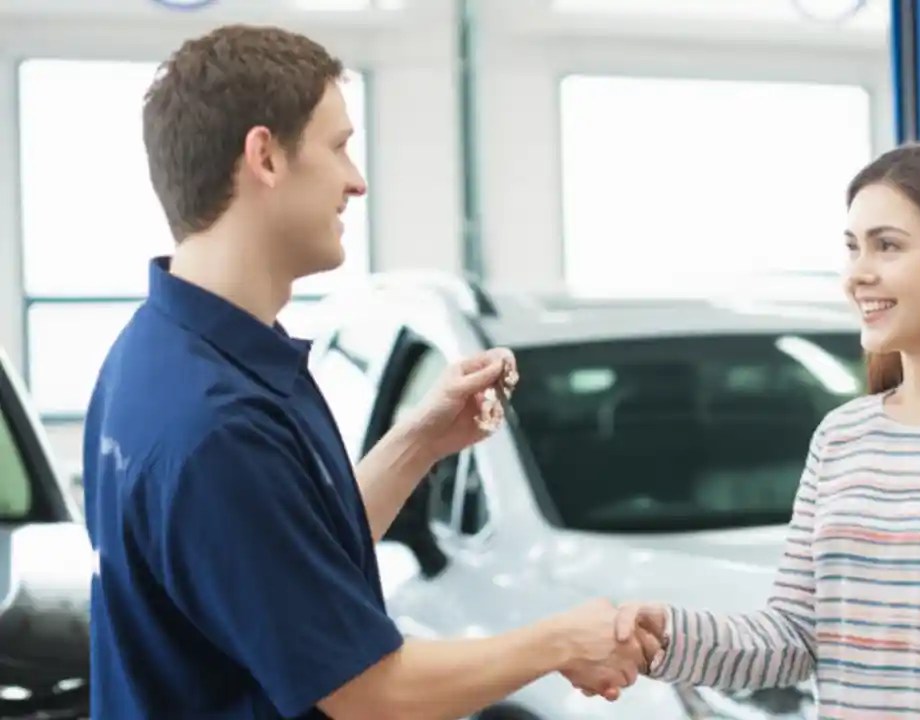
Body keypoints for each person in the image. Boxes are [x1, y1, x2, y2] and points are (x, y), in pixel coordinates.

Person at [82, 24, 653, 719]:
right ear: (264, 155)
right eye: (338, 145)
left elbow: (290, 564)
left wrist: (420, 443)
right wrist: (560, 640)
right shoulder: (217, 424)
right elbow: (367, 691)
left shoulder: (161, 356)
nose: (356, 180)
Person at [595, 141, 920, 718]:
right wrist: (667, 637)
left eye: (887, 246)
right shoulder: (841, 436)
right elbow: (792, 638)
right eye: (852, 249)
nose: (858, 275)